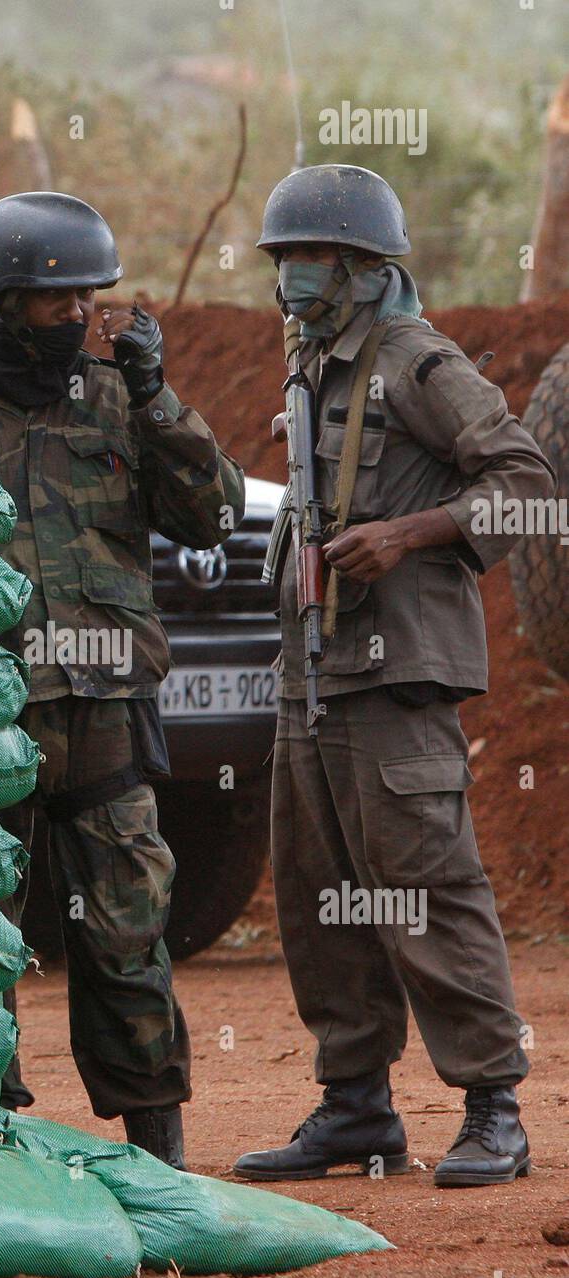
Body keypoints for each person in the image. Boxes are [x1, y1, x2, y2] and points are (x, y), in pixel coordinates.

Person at [0, 191, 244, 1167]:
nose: (78, 316)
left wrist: (160, 398)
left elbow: (214, 514)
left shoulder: (120, 398)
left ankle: (159, 1153)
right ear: (1, 301)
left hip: (106, 718)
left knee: (128, 929)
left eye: (88, 298)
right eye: (56, 300)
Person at [233, 164, 555, 1188]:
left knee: (424, 890)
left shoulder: (417, 362)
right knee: (317, 897)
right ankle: (355, 1107)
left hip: (396, 676)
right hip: (311, 676)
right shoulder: (309, 369)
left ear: (367, 266)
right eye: (282, 259)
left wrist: (409, 535)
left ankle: (492, 1105)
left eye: (309, 259)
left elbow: (526, 486)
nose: (292, 278)